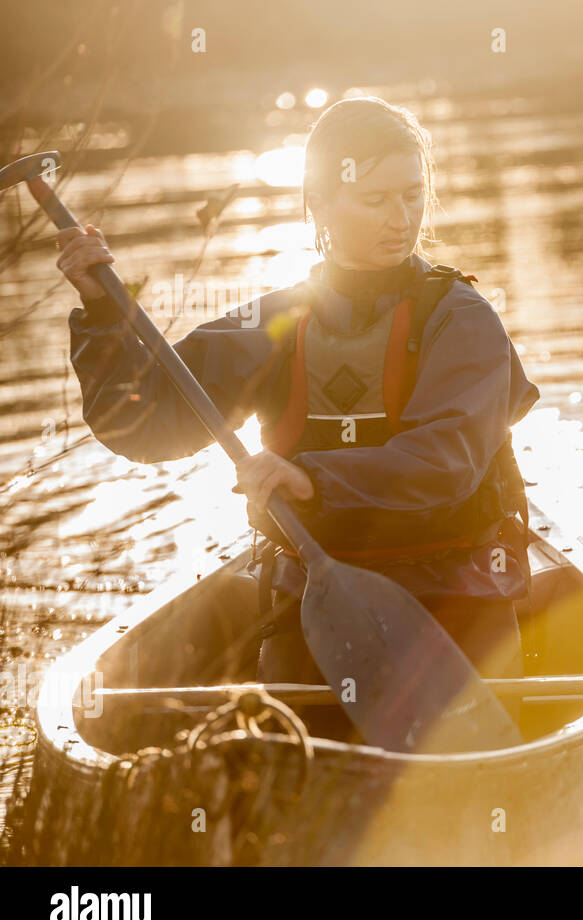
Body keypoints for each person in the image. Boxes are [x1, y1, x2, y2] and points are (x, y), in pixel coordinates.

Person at [55, 96, 540, 735]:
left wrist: (313, 479)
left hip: (456, 604)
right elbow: (142, 426)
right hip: (317, 605)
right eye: (375, 200)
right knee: (298, 744)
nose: (402, 220)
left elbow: (446, 462)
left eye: (412, 195)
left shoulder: (461, 317)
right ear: (318, 202)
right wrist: (102, 317)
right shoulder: (275, 322)